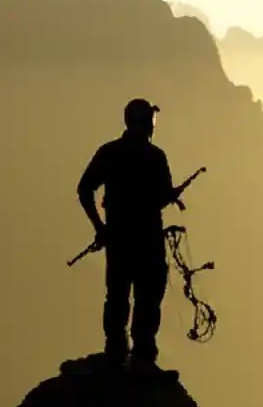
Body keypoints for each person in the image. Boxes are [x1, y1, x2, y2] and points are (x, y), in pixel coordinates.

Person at [76, 98, 184, 374]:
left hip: (120, 239)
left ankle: (117, 354)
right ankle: (141, 358)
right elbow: (161, 196)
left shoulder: (110, 153)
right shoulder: (155, 157)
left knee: (119, 296)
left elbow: (85, 190)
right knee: (146, 297)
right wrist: (169, 196)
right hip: (147, 241)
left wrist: (100, 228)